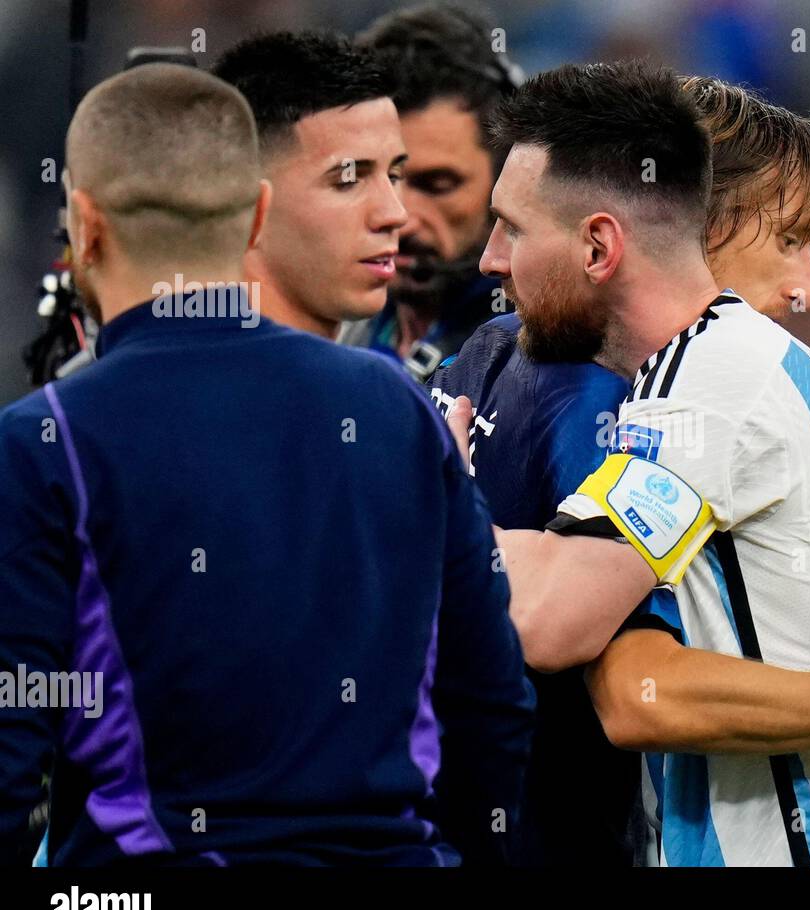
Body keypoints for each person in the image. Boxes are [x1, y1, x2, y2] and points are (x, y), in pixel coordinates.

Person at [0, 64, 533, 866]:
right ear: (256, 217)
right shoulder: (398, 407)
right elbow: (491, 700)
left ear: (84, 224)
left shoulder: (42, 442)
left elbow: (11, 751)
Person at [449, 61, 810, 866]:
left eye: (514, 229)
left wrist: (428, 509)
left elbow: (613, 673)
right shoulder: (674, 381)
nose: (809, 288)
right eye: (791, 239)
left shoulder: (717, 371)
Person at [345, 1, 523, 378]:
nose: (401, 217)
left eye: (438, 185)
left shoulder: (541, 364)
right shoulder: (326, 331)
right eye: (382, 179)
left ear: (503, 180)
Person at [211, 32, 408, 341]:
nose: (395, 214)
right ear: (246, 203)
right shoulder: (378, 385)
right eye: (348, 180)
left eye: (394, 176)